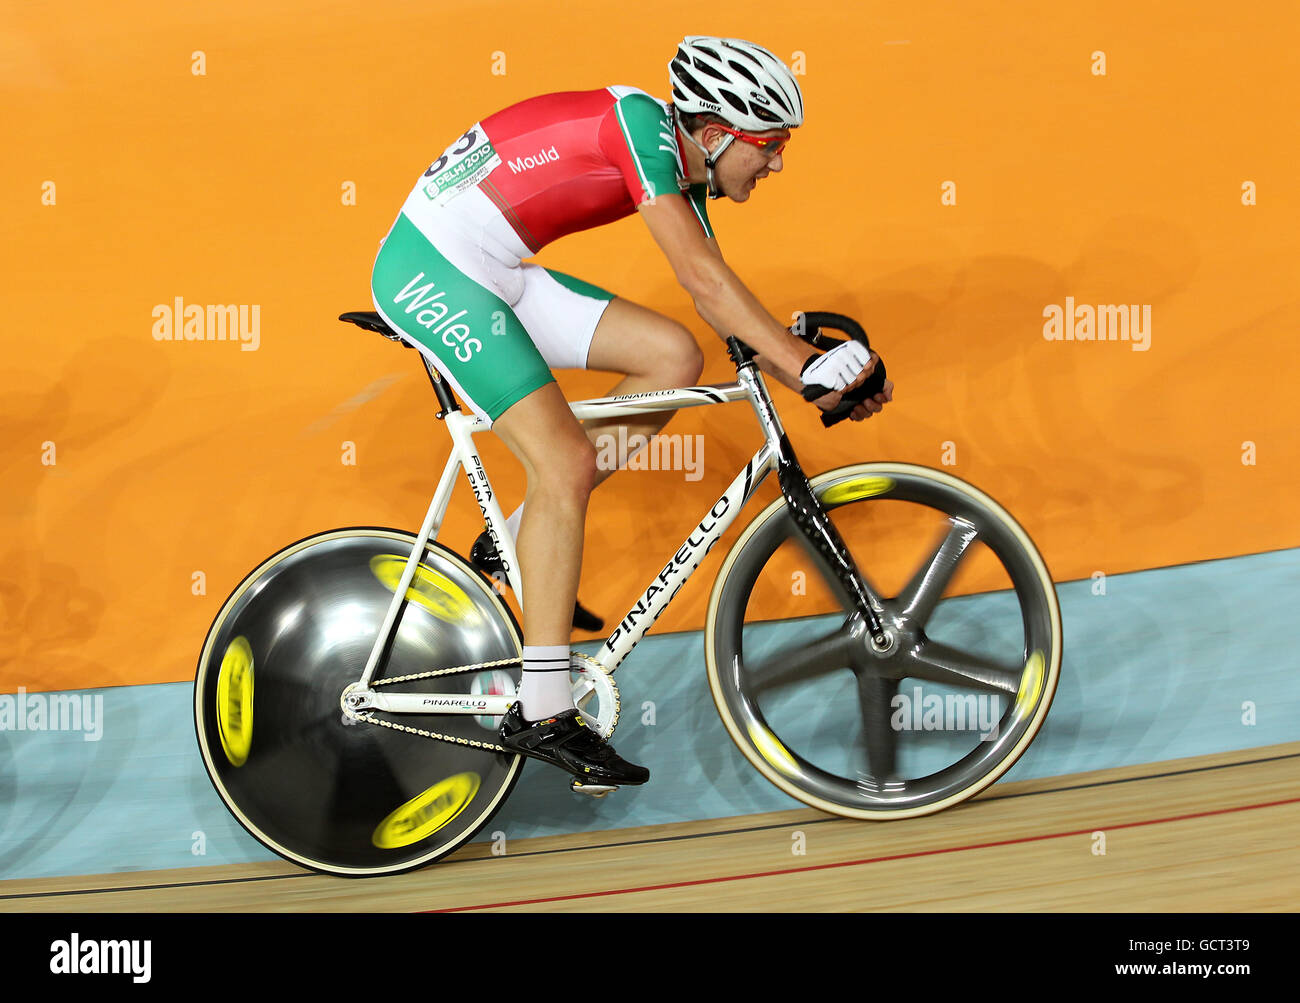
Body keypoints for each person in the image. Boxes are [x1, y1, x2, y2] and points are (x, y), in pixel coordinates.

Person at [368, 35, 893, 788]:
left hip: (496, 270)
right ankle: (542, 708)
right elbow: (702, 277)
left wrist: (799, 353)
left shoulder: (677, 161)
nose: (777, 163)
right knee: (565, 461)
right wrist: (804, 367)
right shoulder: (643, 130)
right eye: (771, 146)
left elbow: (716, 294)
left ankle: (510, 544)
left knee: (673, 357)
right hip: (433, 269)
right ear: (715, 136)